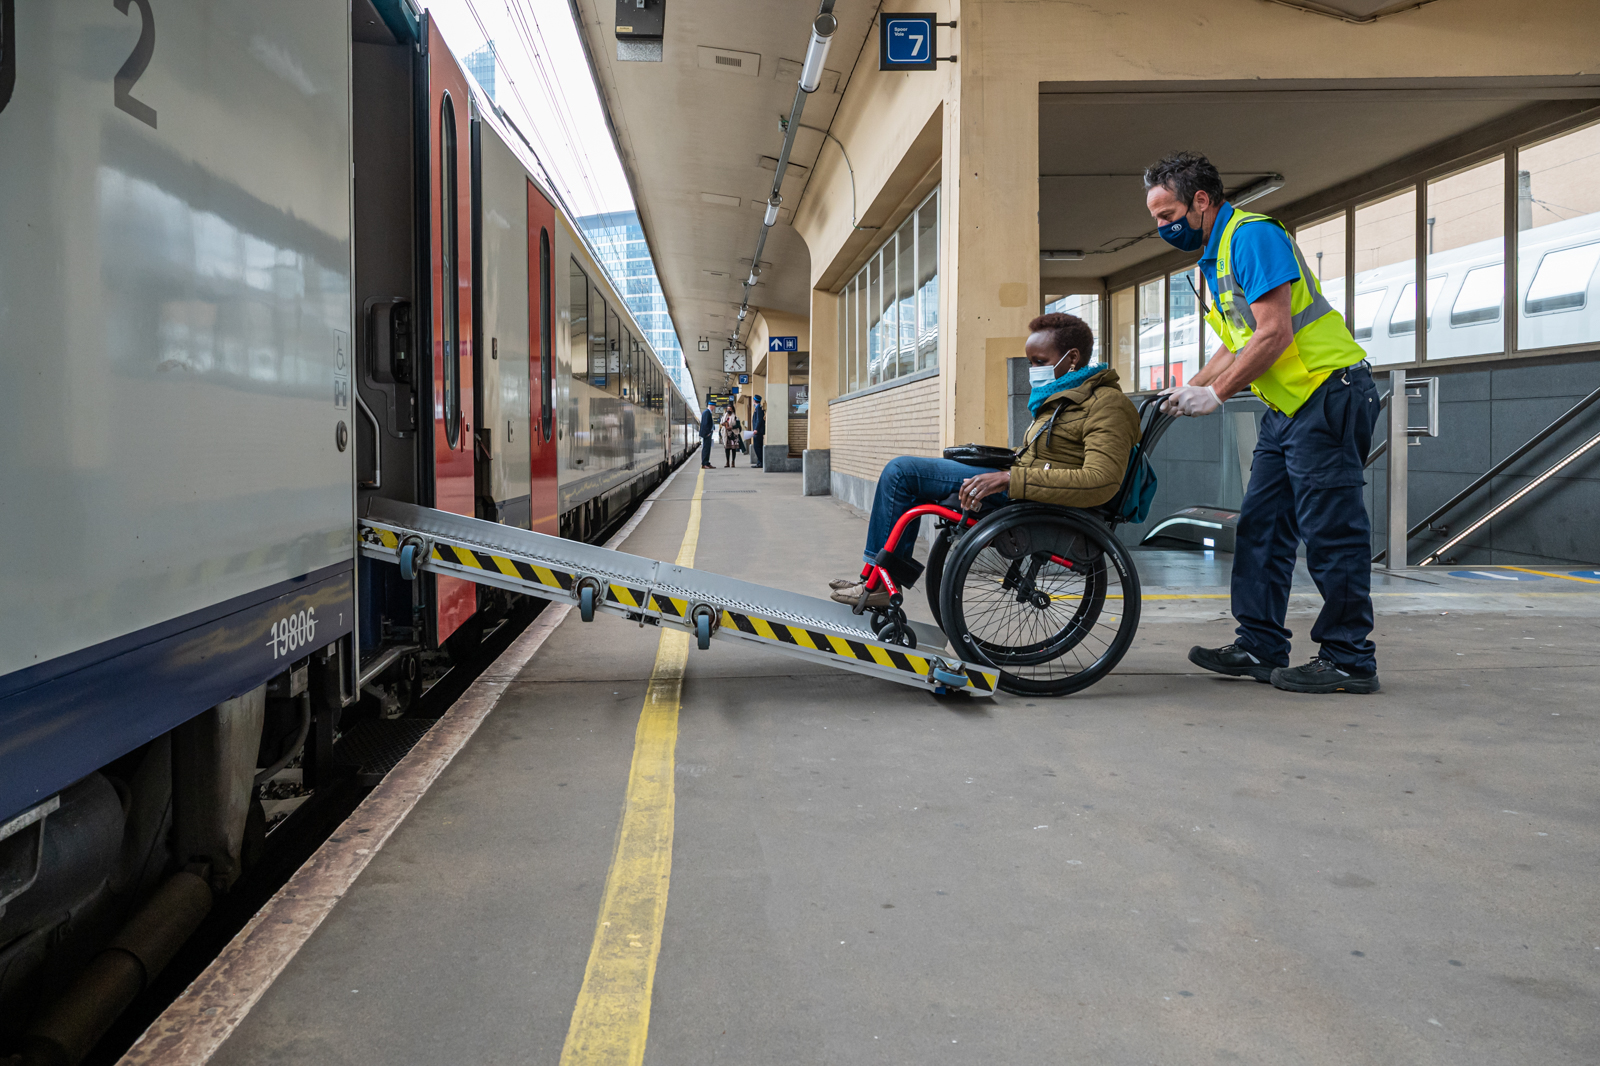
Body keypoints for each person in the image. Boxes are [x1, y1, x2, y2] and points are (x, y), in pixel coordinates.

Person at [1144, 151, 1381, 695]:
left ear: (1201, 201)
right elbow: (1237, 345)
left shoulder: (1252, 236)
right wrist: (1187, 390)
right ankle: (1260, 644)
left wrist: (1217, 395)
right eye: (1157, 217)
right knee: (1261, 529)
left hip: (1328, 393)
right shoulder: (1214, 256)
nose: (1162, 226)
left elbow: (1274, 334)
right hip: (1288, 407)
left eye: (1167, 213)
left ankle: (1349, 658)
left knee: (1331, 532)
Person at [829, 313, 1139, 607]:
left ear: (1072, 358)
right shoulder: (1061, 398)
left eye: (1039, 362)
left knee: (902, 474)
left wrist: (1008, 479)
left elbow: (1101, 482)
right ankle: (875, 579)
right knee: (903, 473)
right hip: (1022, 484)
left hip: (1037, 499)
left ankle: (878, 585)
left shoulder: (1107, 405)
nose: (1033, 370)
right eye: (1031, 362)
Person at [699, 399, 716, 469]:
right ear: (711, 406)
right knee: (706, 449)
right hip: (707, 434)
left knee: (707, 448)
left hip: (708, 434)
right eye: (714, 406)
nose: (714, 408)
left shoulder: (707, 412)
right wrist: (708, 433)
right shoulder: (707, 412)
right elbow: (705, 424)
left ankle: (707, 463)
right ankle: (704, 463)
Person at [750, 396, 766, 468]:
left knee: (757, 447)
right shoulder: (757, 409)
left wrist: (756, 429)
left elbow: (758, 420)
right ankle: (759, 462)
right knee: (757, 447)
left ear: (754, 401)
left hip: (758, 432)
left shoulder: (758, 409)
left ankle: (760, 462)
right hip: (757, 431)